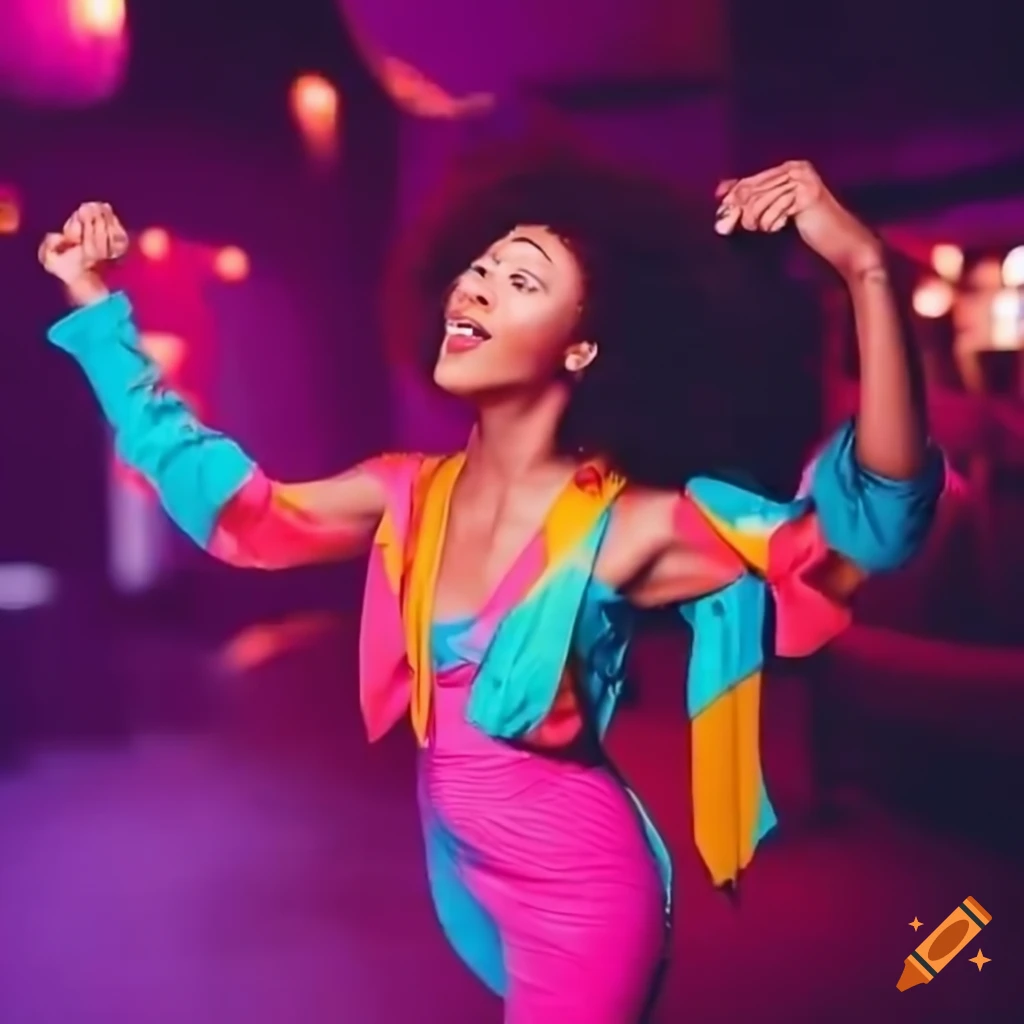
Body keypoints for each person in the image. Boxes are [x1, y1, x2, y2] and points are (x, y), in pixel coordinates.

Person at [38, 146, 943, 1023]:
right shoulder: (404, 492)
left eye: (521, 279)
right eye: (478, 268)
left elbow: (865, 529)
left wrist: (864, 268)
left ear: (579, 349)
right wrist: (95, 306)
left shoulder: (630, 526)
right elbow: (242, 517)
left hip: (583, 890)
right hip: (463, 872)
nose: (474, 286)